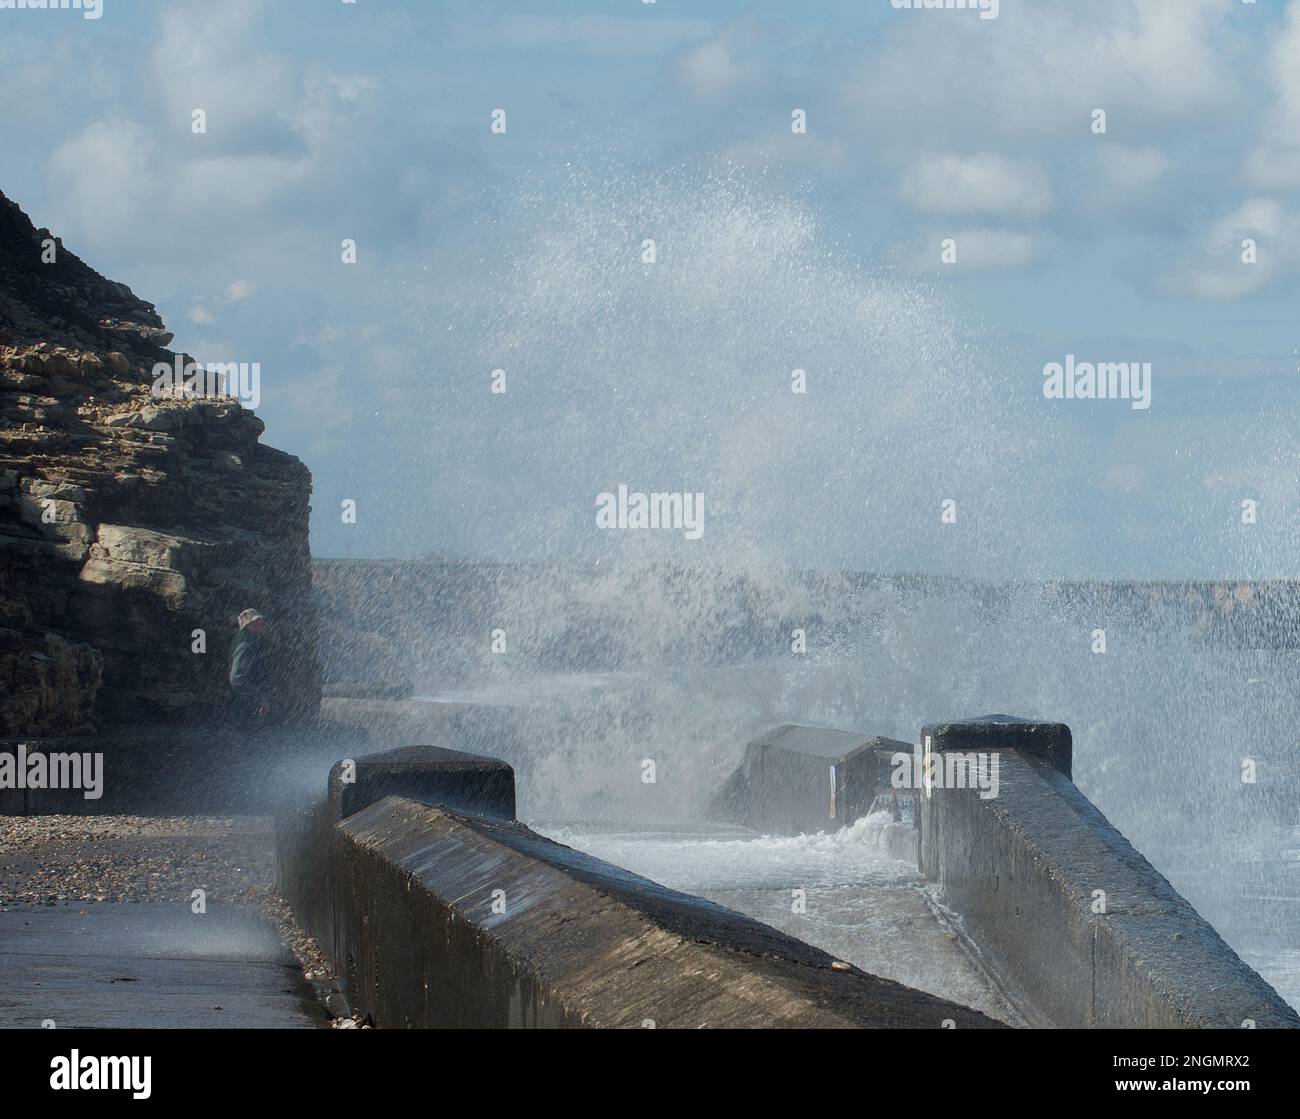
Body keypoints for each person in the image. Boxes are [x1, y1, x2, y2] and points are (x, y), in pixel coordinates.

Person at [228, 608, 271, 724]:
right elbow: (237, 678)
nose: (263, 624)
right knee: (247, 737)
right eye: (258, 622)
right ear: (249, 626)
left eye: (262, 621)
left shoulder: (248, 640)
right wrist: (260, 699)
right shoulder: (246, 644)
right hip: (244, 707)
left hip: (245, 705)